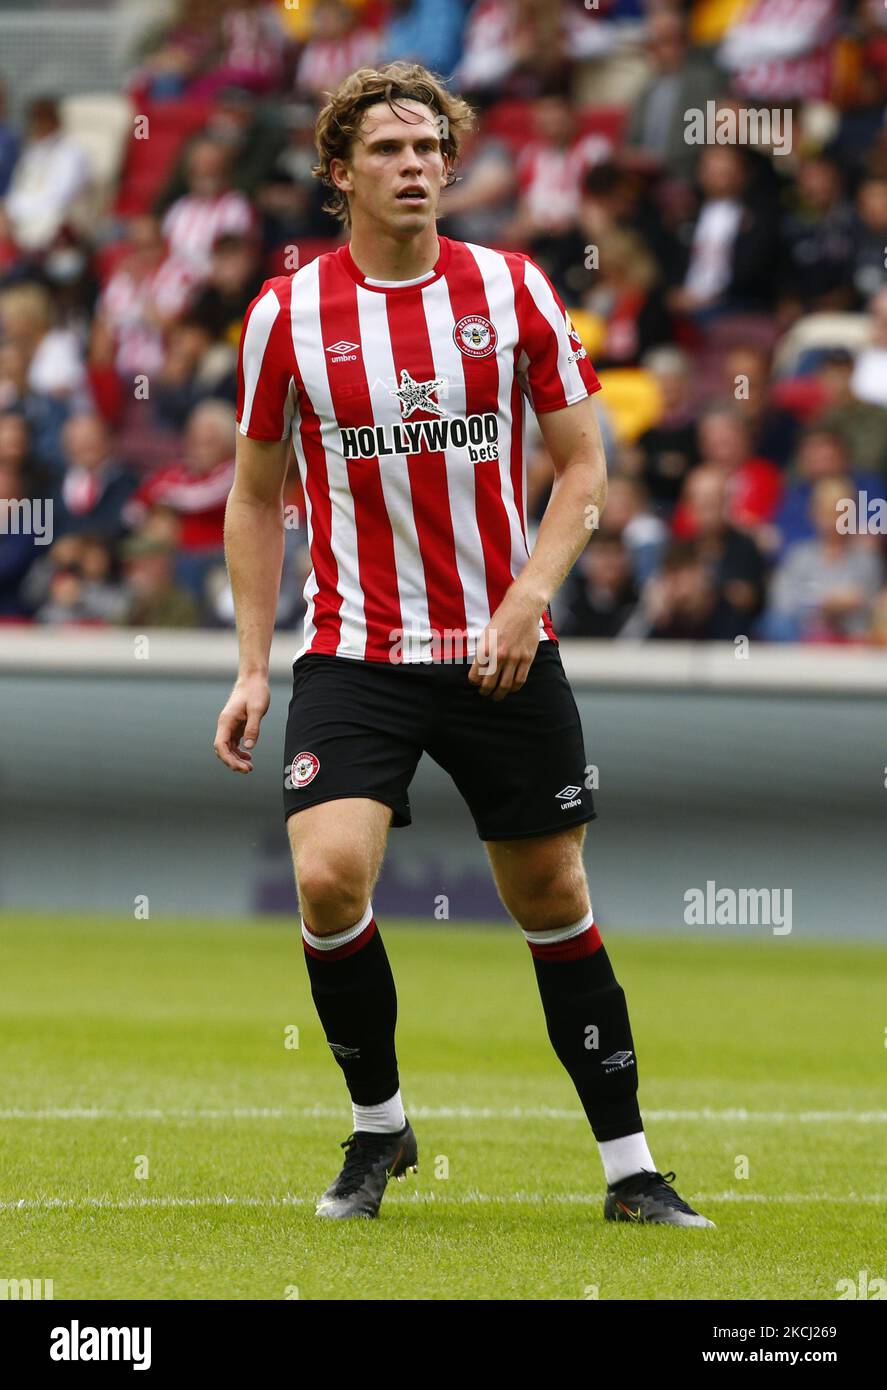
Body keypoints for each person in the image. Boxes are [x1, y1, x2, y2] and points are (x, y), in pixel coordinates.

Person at [214, 61, 714, 1229]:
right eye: (388, 151)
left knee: (548, 890)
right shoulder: (286, 313)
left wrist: (528, 596)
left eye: (431, 148)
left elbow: (586, 467)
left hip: (500, 646)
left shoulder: (514, 289)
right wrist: (249, 663)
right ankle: (380, 1130)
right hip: (354, 648)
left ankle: (631, 1168)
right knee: (329, 874)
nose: (416, 167)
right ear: (338, 173)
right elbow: (252, 493)